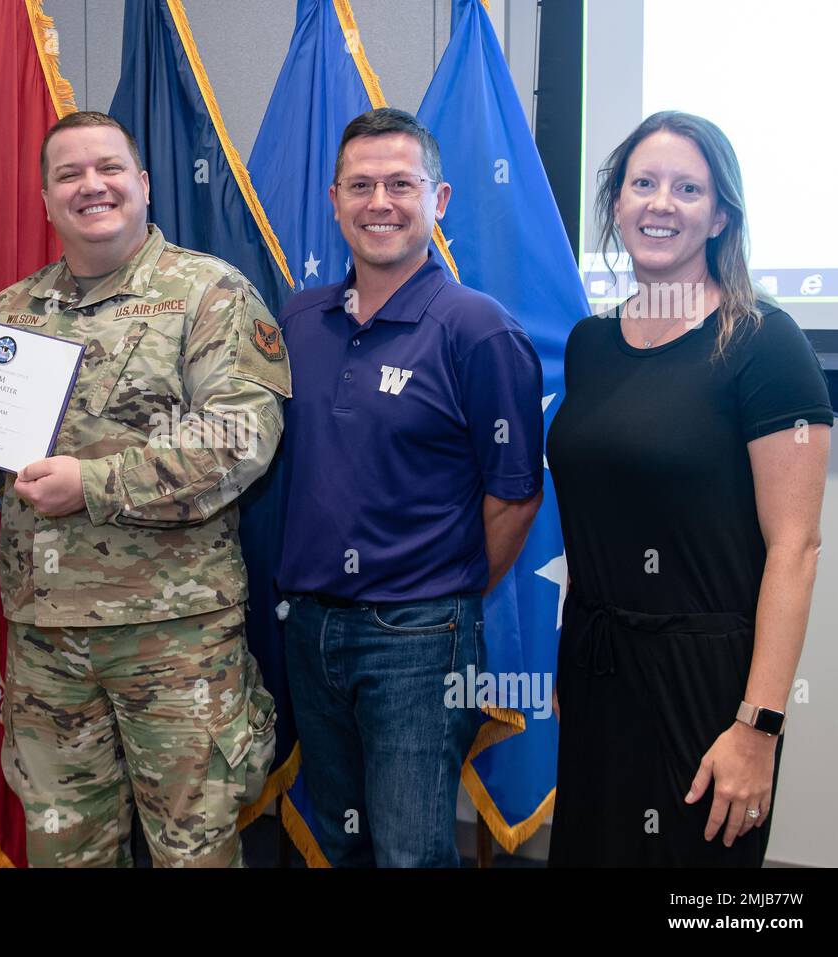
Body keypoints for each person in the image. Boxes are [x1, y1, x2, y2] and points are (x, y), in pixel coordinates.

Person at [0, 111, 288, 867]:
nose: (93, 186)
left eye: (109, 168)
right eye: (69, 174)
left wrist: (96, 484)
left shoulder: (208, 294)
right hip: (48, 642)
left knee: (194, 852)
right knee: (63, 851)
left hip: (176, 640)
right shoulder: (10, 315)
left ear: (143, 185)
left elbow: (238, 436)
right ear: (45, 198)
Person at [547, 111, 832, 866]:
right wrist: (570, 651)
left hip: (709, 692)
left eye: (687, 188)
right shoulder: (590, 345)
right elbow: (598, 510)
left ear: (720, 215)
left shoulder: (765, 343)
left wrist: (759, 726)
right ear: (615, 205)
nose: (660, 204)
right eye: (642, 184)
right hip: (599, 668)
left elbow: (795, 548)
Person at [274, 108, 544, 867]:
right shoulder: (298, 320)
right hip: (310, 629)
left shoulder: (480, 330)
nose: (380, 202)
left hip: (419, 642)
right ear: (334, 202)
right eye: (360, 185)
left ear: (441, 199)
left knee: (411, 852)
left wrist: (441, 595)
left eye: (401, 183)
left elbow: (515, 495)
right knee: (341, 838)